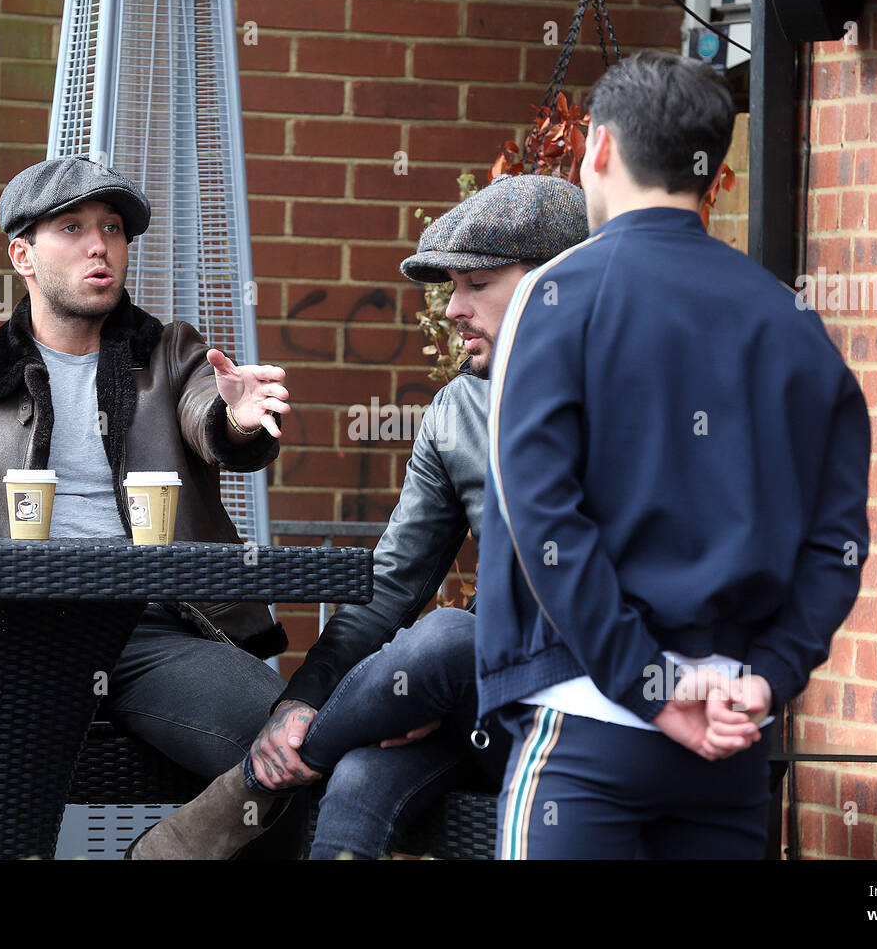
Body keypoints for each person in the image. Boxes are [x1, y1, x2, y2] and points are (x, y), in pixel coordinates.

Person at [477, 51, 872, 859]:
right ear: (711, 169)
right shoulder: (794, 324)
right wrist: (766, 675)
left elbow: (539, 516)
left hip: (590, 726)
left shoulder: (553, 300)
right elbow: (838, 542)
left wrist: (650, 686)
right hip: (730, 738)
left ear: (598, 149)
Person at [126, 173, 591, 859]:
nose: (453, 309)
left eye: (478, 285)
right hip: (492, 710)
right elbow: (389, 587)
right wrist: (301, 700)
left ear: (558, 284)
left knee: (447, 639)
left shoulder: (632, 393)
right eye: (449, 288)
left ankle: (253, 780)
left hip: (592, 704)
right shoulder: (458, 413)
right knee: (362, 773)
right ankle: (298, 747)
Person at [0, 153, 305, 856]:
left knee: (295, 743)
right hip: (19, 636)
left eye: (112, 228)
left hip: (153, 630)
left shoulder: (172, 356)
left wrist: (237, 418)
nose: (99, 244)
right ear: (22, 254)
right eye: (72, 227)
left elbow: (216, 423)